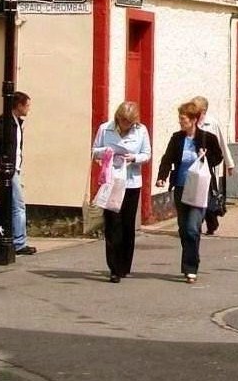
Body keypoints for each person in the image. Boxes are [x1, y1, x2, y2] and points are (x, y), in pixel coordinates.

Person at [156, 101, 223, 283]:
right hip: (181, 186)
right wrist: (162, 176)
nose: (180, 122)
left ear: (193, 120)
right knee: (184, 228)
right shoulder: (177, 138)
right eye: (180, 119)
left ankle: (190, 268)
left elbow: (218, 157)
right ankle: (191, 259)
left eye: (183, 119)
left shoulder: (207, 138)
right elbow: (167, 159)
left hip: (200, 188)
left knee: (193, 228)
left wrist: (206, 155)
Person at [91, 101, 152, 282]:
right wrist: (106, 152)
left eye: (130, 122)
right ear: (118, 117)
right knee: (112, 223)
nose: (127, 125)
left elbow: (147, 154)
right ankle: (114, 268)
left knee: (127, 224)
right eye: (124, 121)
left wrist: (134, 157)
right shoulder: (105, 129)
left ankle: (125, 264)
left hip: (131, 182)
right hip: (112, 181)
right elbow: (94, 151)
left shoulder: (141, 131)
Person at [0, 91, 36, 256]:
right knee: (19, 206)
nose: (28, 109)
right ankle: (19, 242)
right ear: (18, 106)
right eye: (27, 105)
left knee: (6, 204)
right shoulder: (6, 122)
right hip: (7, 169)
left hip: (14, 169)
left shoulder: (17, 122)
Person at [192, 95, 233, 236]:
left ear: (203, 110)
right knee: (195, 197)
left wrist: (229, 164)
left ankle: (211, 223)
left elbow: (222, 144)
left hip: (209, 167)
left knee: (209, 197)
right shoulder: (191, 123)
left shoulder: (212, 123)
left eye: (195, 106)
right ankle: (195, 225)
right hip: (193, 168)